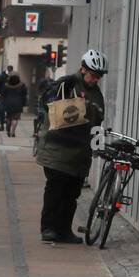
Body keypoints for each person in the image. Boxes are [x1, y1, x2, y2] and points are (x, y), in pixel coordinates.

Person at [34, 49, 108, 243]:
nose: (95, 79)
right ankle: (49, 228)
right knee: (55, 190)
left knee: (71, 194)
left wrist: (96, 146)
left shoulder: (97, 95)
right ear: (83, 69)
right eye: (92, 75)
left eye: (98, 76)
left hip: (79, 154)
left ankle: (64, 230)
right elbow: (46, 107)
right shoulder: (67, 84)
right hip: (57, 150)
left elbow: (97, 124)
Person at [0, 73, 26, 137]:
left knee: (8, 117)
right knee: (15, 119)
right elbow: (24, 94)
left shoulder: (6, 85)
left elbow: (2, 94)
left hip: (8, 103)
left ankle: (8, 131)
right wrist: (24, 103)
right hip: (18, 103)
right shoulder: (22, 85)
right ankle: (13, 132)